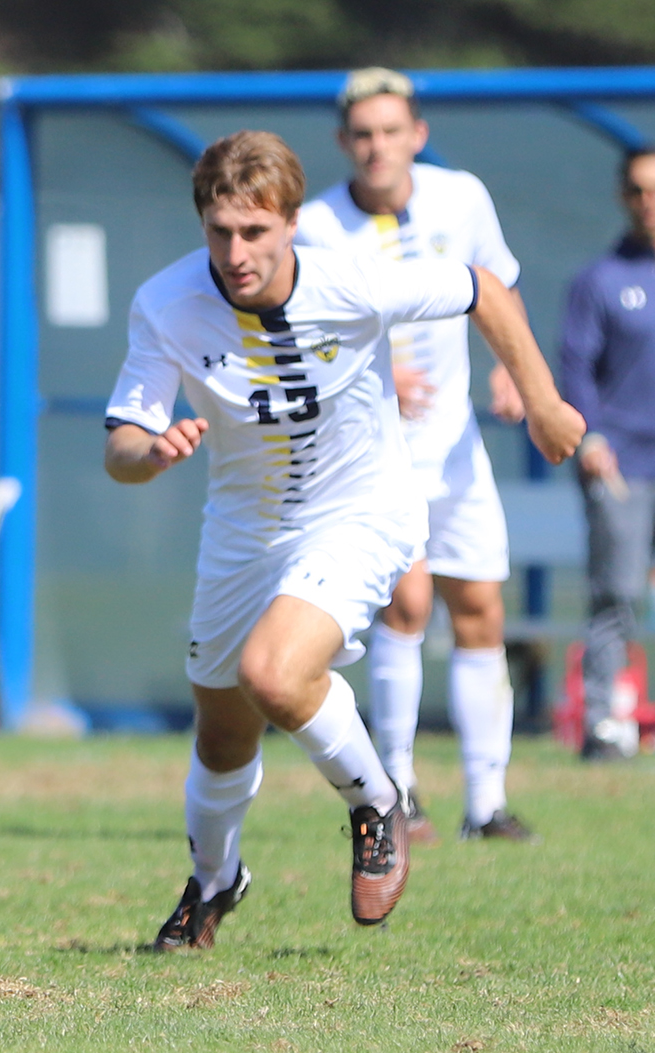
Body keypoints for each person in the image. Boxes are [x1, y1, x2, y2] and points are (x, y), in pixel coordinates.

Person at [103, 131, 583, 950]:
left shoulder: (350, 275)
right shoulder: (166, 302)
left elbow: (484, 291)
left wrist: (540, 400)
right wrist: (152, 452)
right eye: (219, 231)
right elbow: (120, 448)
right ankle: (214, 884)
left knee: (275, 673)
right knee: (222, 729)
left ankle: (377, 801)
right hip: (243, 527)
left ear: (291, 222)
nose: (235, 251)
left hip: (362, 509)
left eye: (254, 232)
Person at [295, 67, 536, 842]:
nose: (378, 147)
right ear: (344, 142)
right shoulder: (317, 225)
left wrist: (513, 368)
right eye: (363, 135)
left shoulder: (460, 196)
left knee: (481, 611)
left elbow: (497, 286)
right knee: (407, 608)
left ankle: (486, 803)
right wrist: (367, 366)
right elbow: (299, 334)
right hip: (377, 456)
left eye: (391, 132)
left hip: (457, 446)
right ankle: (399, 788)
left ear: (417, 136)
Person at [561, 147, 655, 762]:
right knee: (616, 594)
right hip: (624, 462)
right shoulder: (600, 281)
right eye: (640, 191)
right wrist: (589, 437)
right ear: (624, 198)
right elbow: (575, 367)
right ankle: (603, 724)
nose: (650, 203)